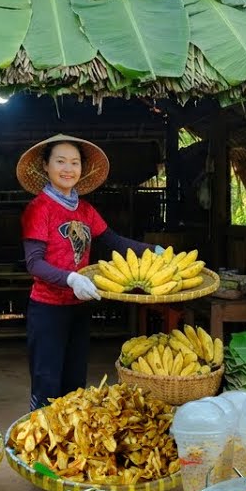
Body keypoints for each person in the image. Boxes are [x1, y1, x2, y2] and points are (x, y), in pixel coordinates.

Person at [18, 134, 156, 409]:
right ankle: (41, 445)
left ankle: (71, 443)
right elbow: (34, 262)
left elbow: (114, 241)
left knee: (75, 384)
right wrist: (70, 278)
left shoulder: (85, 210)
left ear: (82, 169)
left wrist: (154, 250)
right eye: (60, 161)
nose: (68, 169)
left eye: (75, 162)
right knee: (47, 384)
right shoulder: (38, 209)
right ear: (45, 166)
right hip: (48, 310)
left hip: (79, 307)